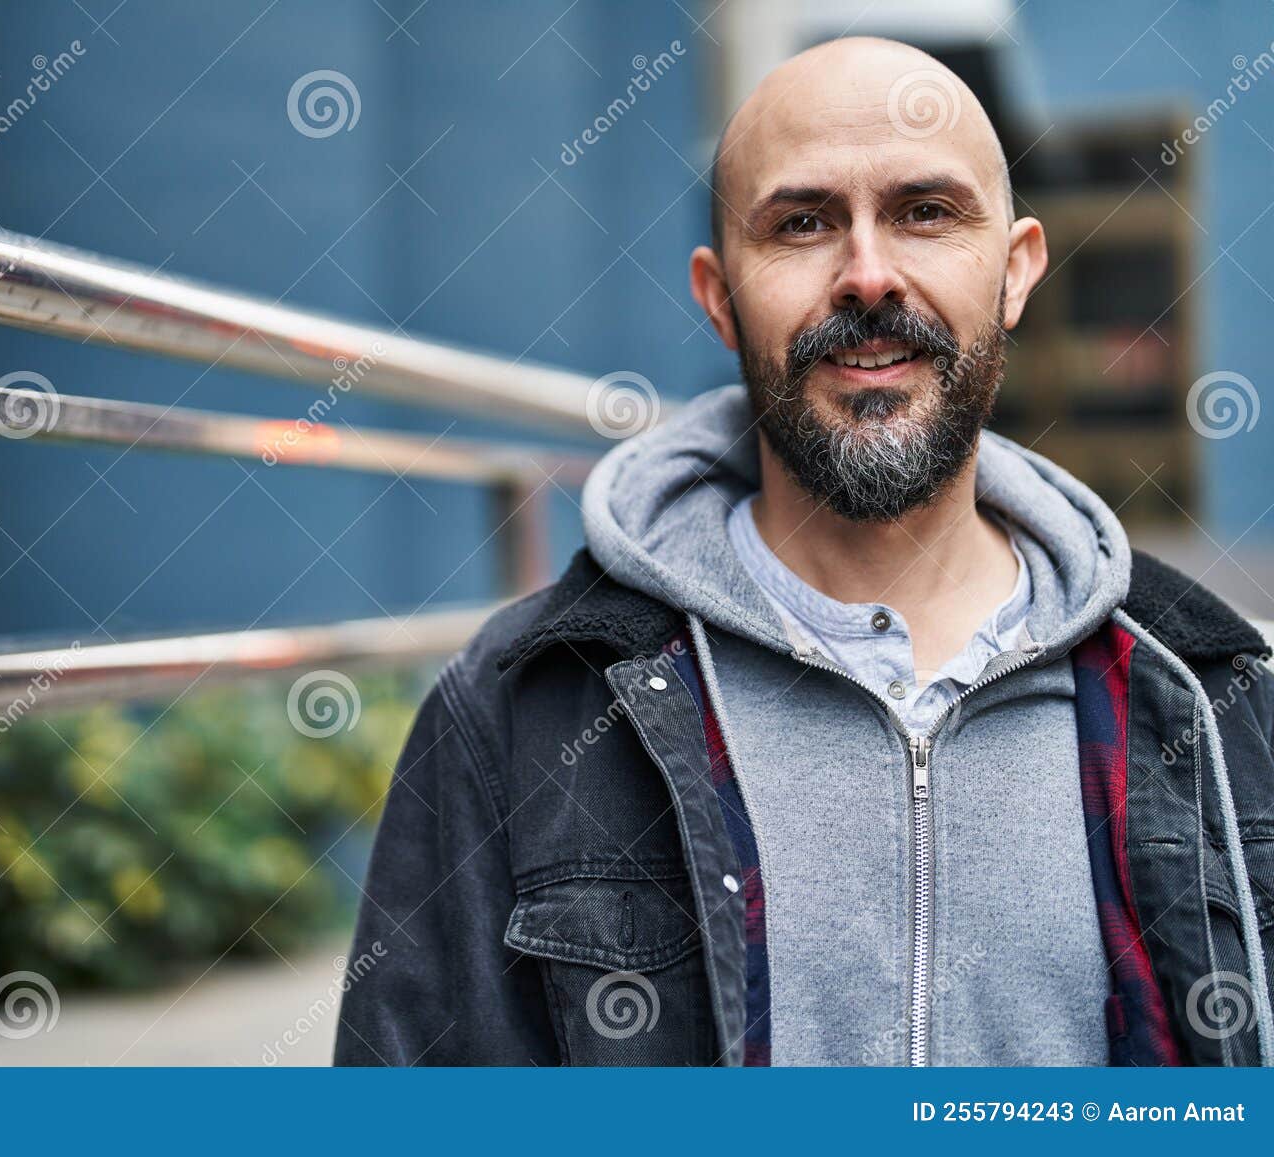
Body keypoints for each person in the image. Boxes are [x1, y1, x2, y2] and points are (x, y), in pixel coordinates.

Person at [334, 36, 1274, 1067]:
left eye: (925, 211)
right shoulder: (521, 707)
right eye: (802, 223)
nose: (868, 275)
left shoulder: (1215, 693)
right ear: (720, 296)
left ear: (1013, 273)